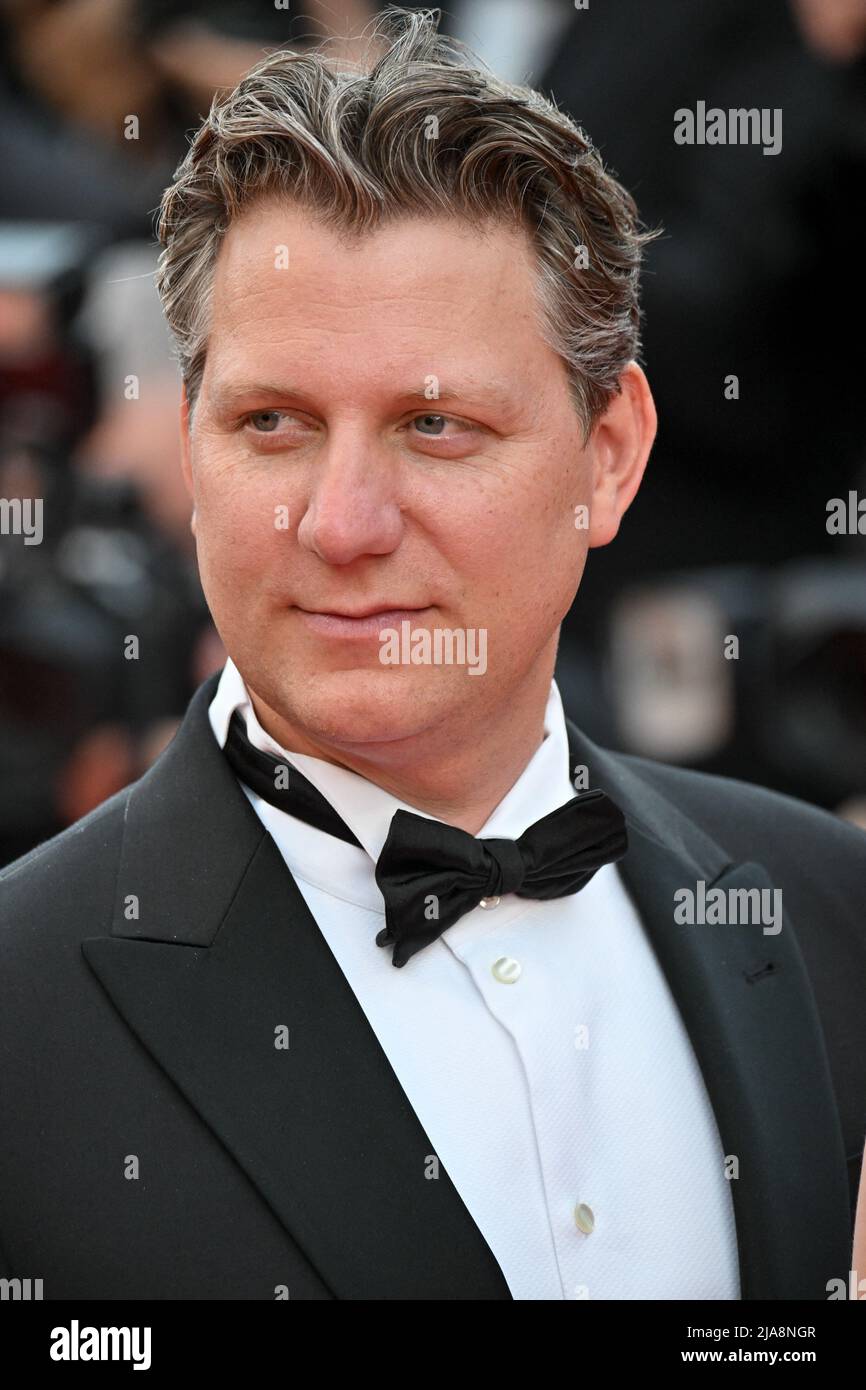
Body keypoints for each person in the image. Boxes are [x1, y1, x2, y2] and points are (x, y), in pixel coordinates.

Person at [1, 6, 864, 1302]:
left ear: (608, 455)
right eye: (274, 422)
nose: (342, 524)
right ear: (189, 451)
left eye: (436, 424)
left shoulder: (824, 909)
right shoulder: (20, 1007)